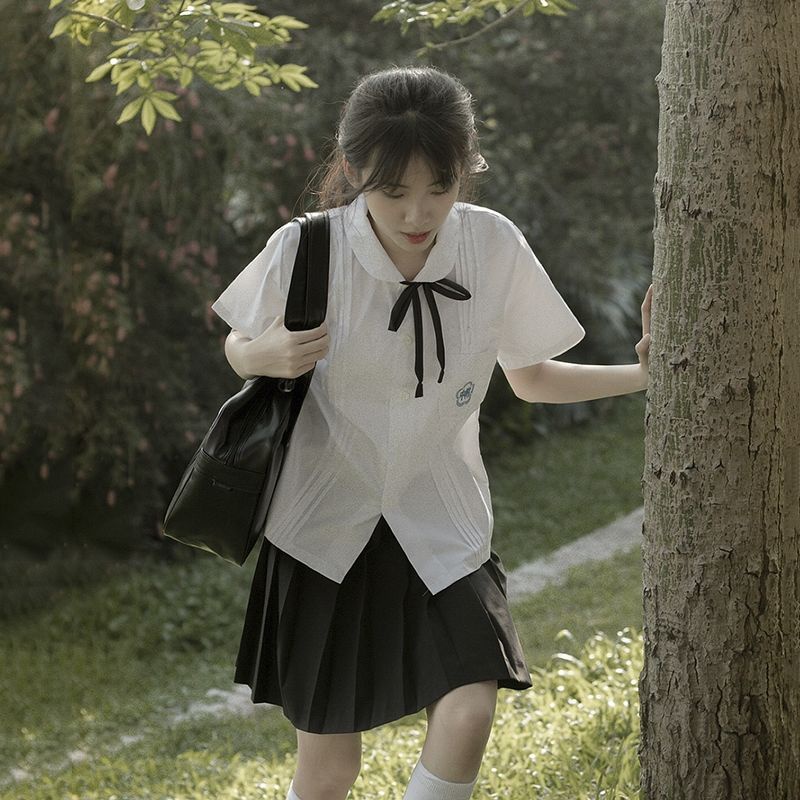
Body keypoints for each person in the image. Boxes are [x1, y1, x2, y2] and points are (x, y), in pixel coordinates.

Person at [211, 65, 652, 800]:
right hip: (322, 530)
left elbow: (533, 375)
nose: (418, 211)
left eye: (439, 187)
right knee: (329, 766)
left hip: (441, 524)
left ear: (466, 169)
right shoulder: (308, 249)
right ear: (354, 171)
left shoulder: (492, 246)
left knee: (471, 706)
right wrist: (265, 354)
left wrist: (645, 377)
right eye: (392, 191)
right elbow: (236, 348)